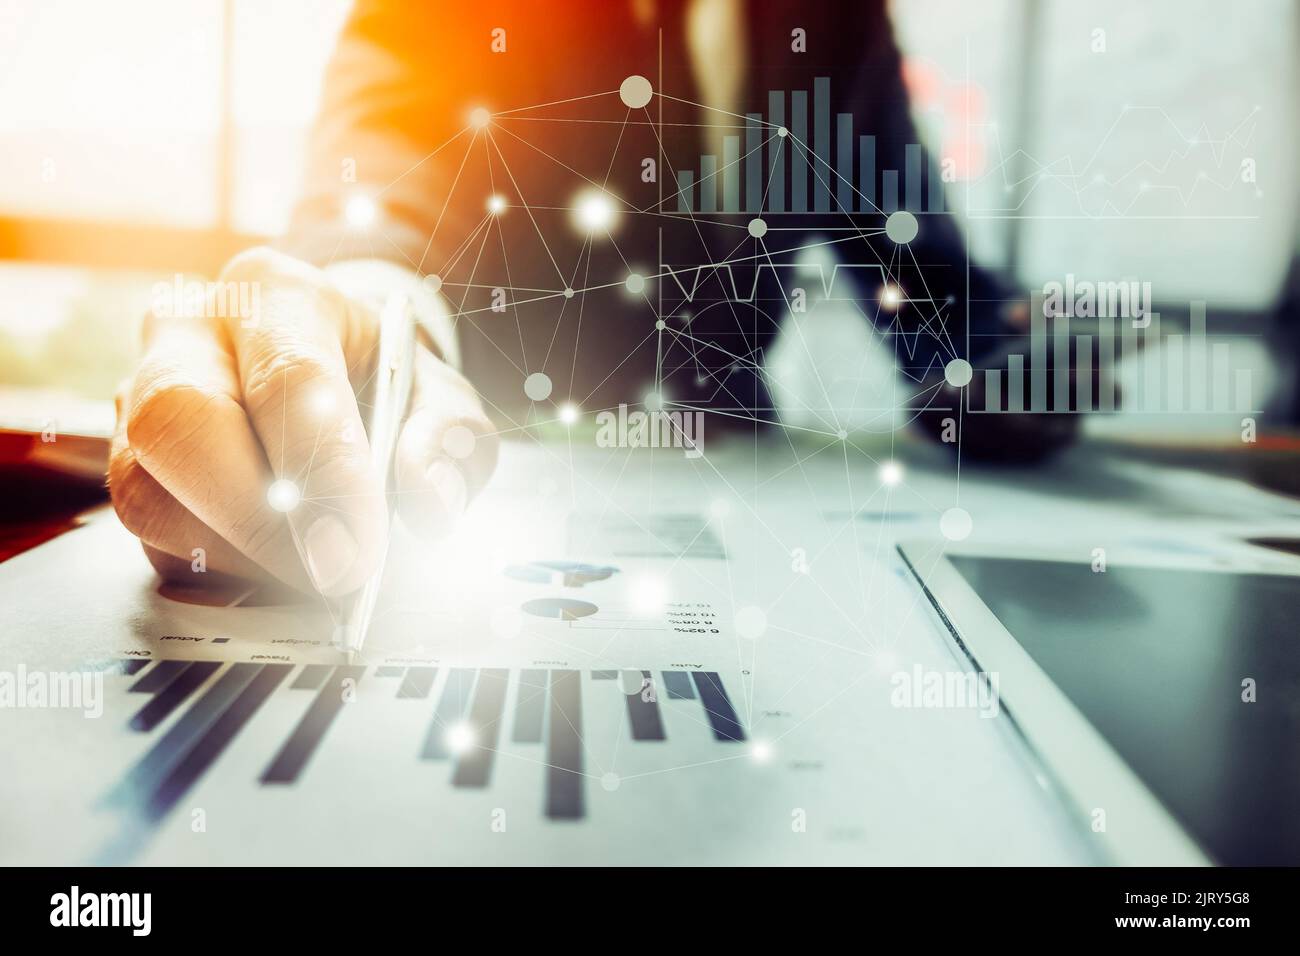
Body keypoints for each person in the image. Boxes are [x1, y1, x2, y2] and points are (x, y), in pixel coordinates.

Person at [109, 0, 1078, 598]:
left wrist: (1015, 368)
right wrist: (363, 309)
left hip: (751, 504)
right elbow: (382, 154)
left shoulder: (834, 15)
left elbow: (926, 283)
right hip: (487, 483)